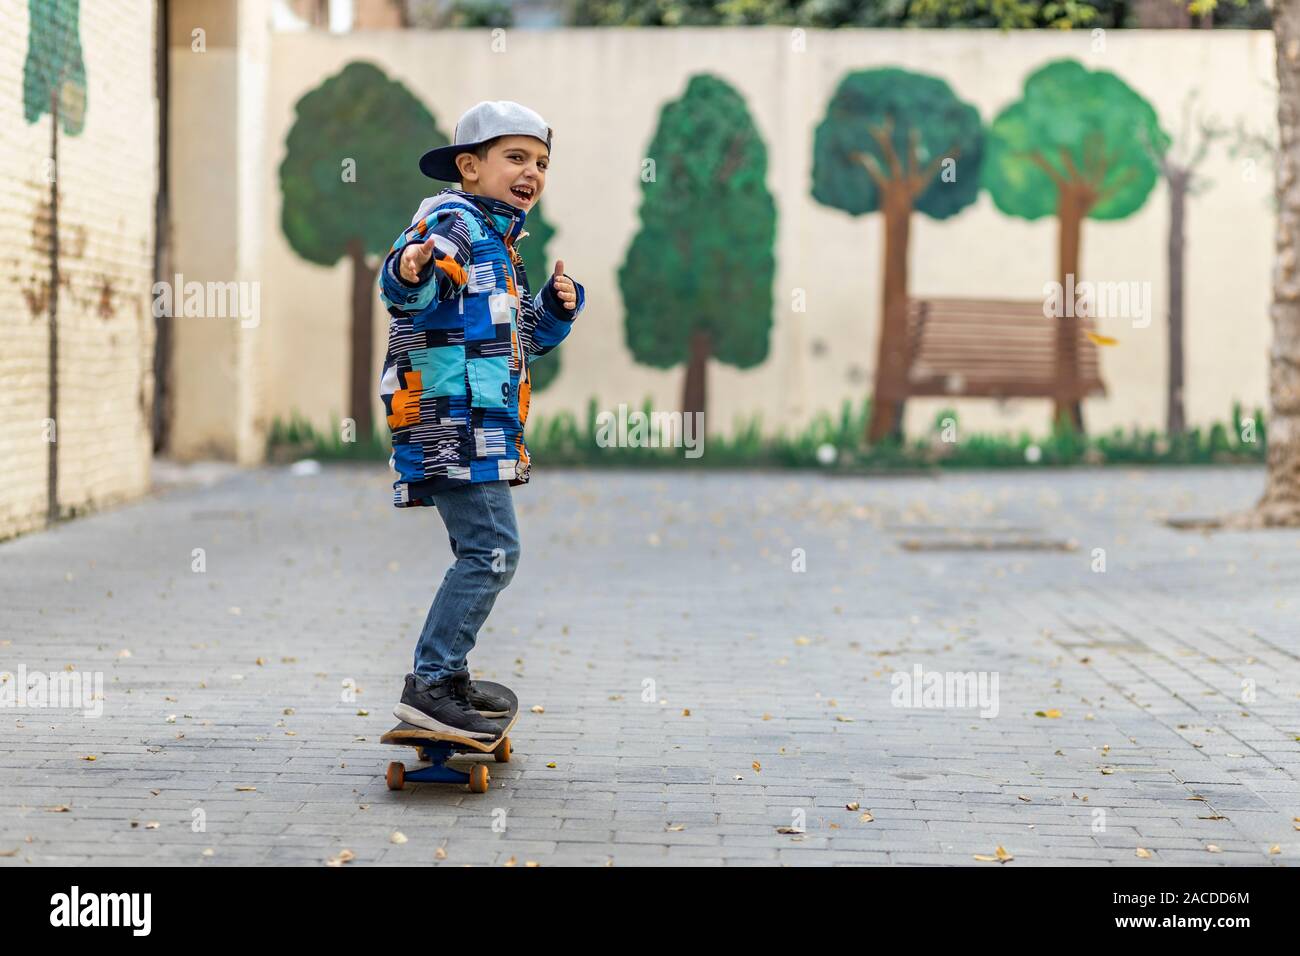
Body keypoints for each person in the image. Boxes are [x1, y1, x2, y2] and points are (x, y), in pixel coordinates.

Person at [377, 101, 586, 738]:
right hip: (451, 424)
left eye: (542, 162)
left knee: (482, 550)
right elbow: (410, 282)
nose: (531, 173)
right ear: (470, 166)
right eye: (515, 158)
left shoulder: (501, 243)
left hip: (482, 428)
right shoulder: (454, 223)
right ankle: (433, 682)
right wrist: (410, 270)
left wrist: (552, 309)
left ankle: (448, 672)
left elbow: (520, 340)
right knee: (494, 550)